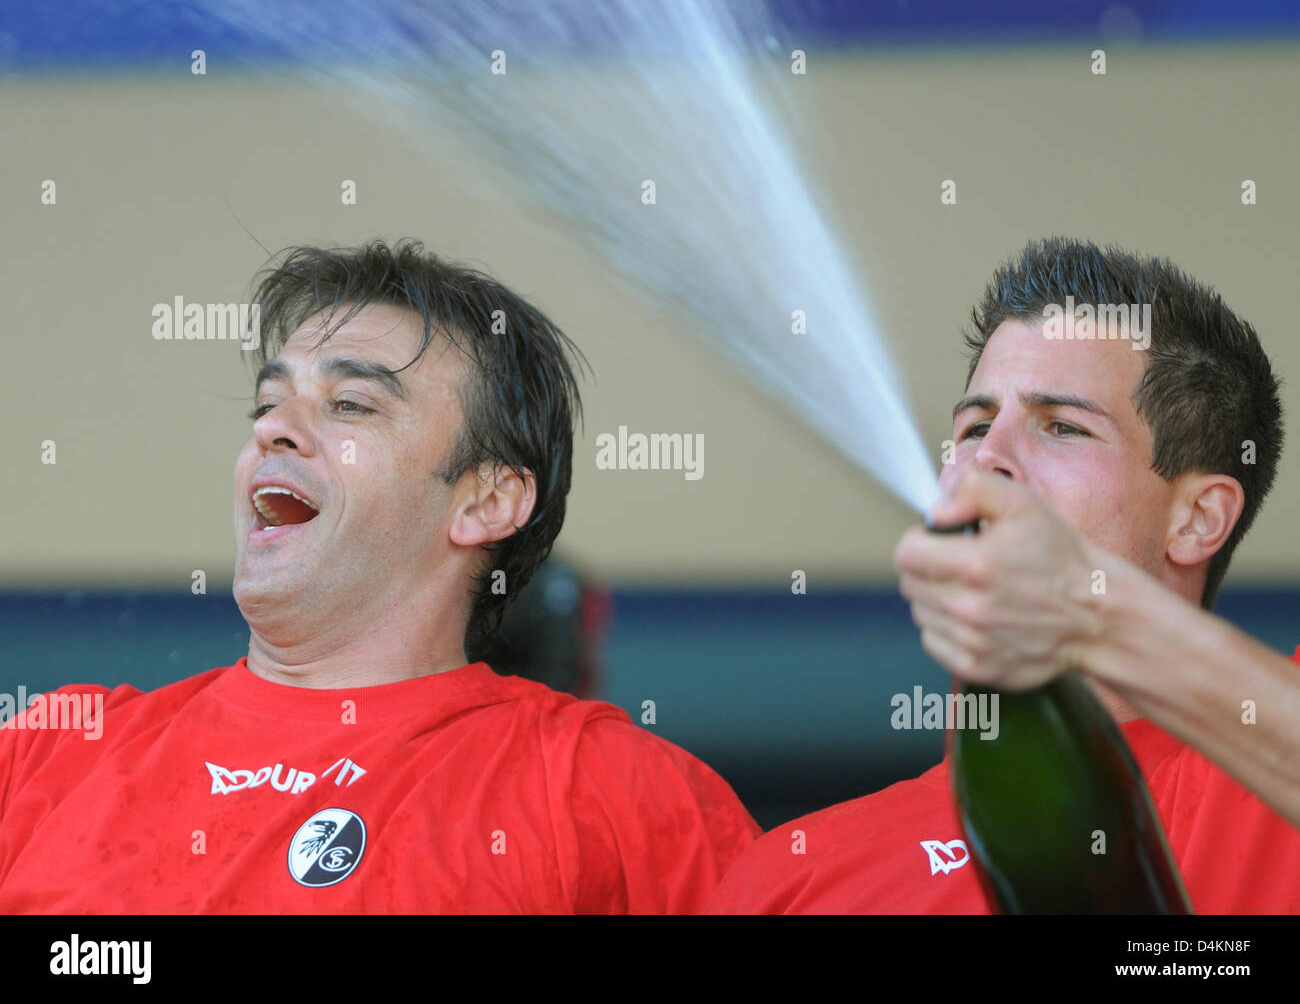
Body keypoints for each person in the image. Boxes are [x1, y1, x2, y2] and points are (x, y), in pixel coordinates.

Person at [0, 240, 758, 913]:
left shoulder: (607, 794)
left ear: (486, 500)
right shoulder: (49, 752)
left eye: (351, 403)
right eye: (268, 402)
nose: (270, 427)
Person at [707, 236, 1299, 913]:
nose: (987, 458)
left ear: (1198, 518)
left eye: (1063, 427)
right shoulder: (792, 874)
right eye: (973, 427)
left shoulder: (1253, 801)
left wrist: (1089, 615)